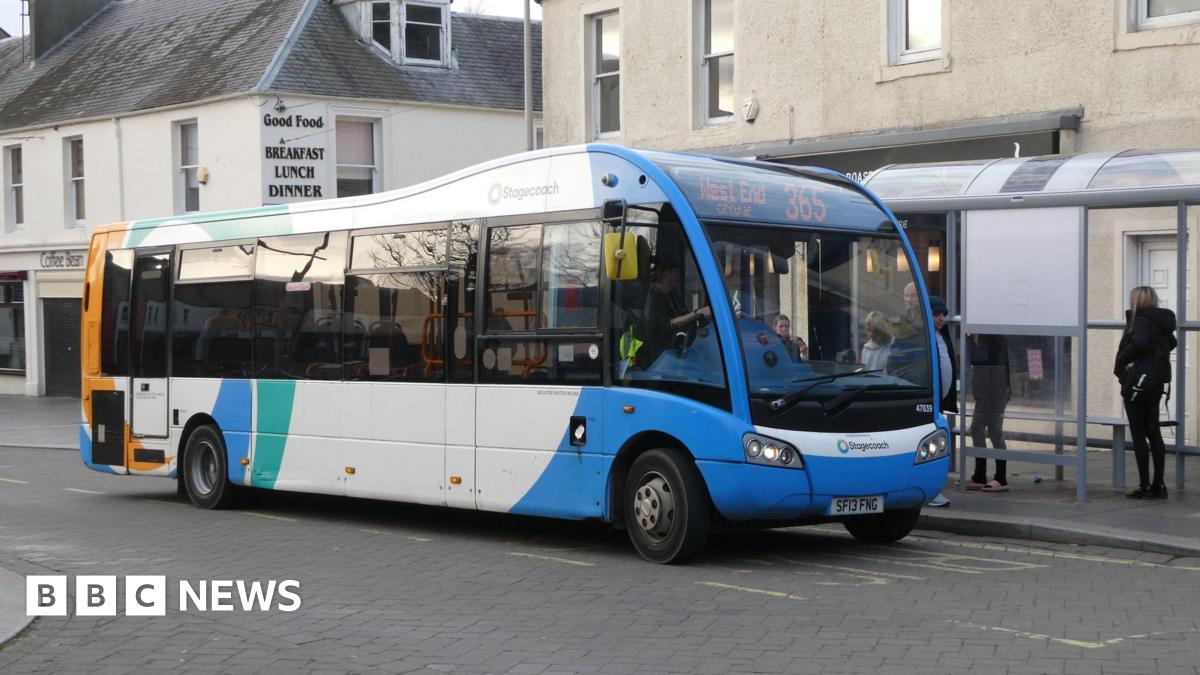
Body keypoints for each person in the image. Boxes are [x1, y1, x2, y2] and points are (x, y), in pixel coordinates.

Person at [1114, 286, 1177, 500]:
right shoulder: (1162, 321)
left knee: (1139, 434)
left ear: (1137, 301)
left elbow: (1139, 343)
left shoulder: (1141, 320)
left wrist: (1121, 359)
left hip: (1137, 383)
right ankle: (1158, 486)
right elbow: (1171, 343)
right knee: (1154, 431)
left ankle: (1144, 485)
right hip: (1156, 382)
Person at [640, 259, 710, 367]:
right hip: (659, 356)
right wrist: (698, 312)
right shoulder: (651, 297)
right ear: (666, 275)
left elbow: (683, 315)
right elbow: (668, 324)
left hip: (679, 347)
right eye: (675, 272)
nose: (678, 276)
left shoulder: (671, 294)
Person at [963, 334, 1011, 492]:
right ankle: (980, 475)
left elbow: (976, 358)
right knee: (979, 430)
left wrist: (969, 341)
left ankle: (1000, 477)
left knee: (993, 432)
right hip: (987, 394)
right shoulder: (991, 340)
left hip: (992, 394)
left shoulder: (992, 340)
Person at [927, 295, 957, 508]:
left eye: (943, 315)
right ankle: (931, 491)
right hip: (929, 402)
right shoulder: (925, 337)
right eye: (936, 314)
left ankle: (933, 490)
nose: (940, 319)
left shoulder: (941, 335)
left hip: (940, 401)